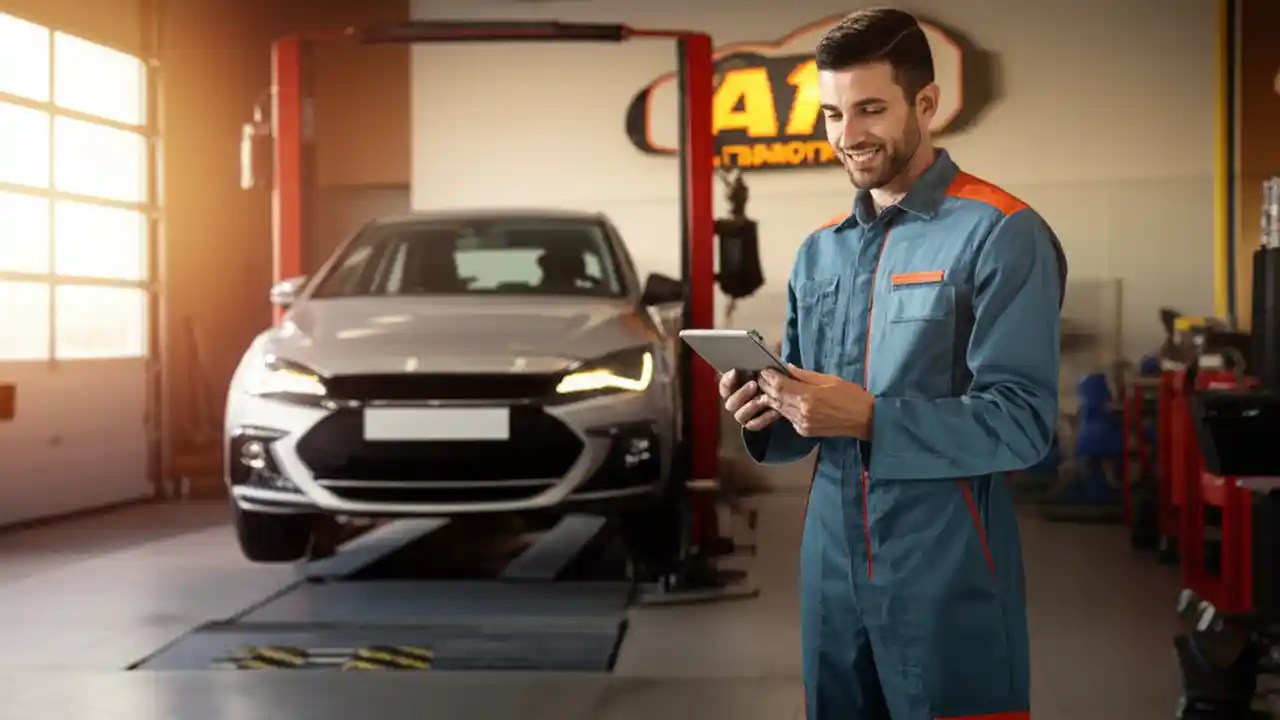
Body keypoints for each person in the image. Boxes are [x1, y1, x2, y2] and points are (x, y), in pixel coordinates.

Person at [719, 7, 1067, 720]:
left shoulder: (1001, 233)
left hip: (945, 559)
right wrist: (770, 408)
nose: (847, 136)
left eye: (870, 109)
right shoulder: (820, 250)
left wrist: (873, 418)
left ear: (926, 104)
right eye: (831, 114)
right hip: (831, 559)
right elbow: (813, 407)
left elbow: (1025, 422)